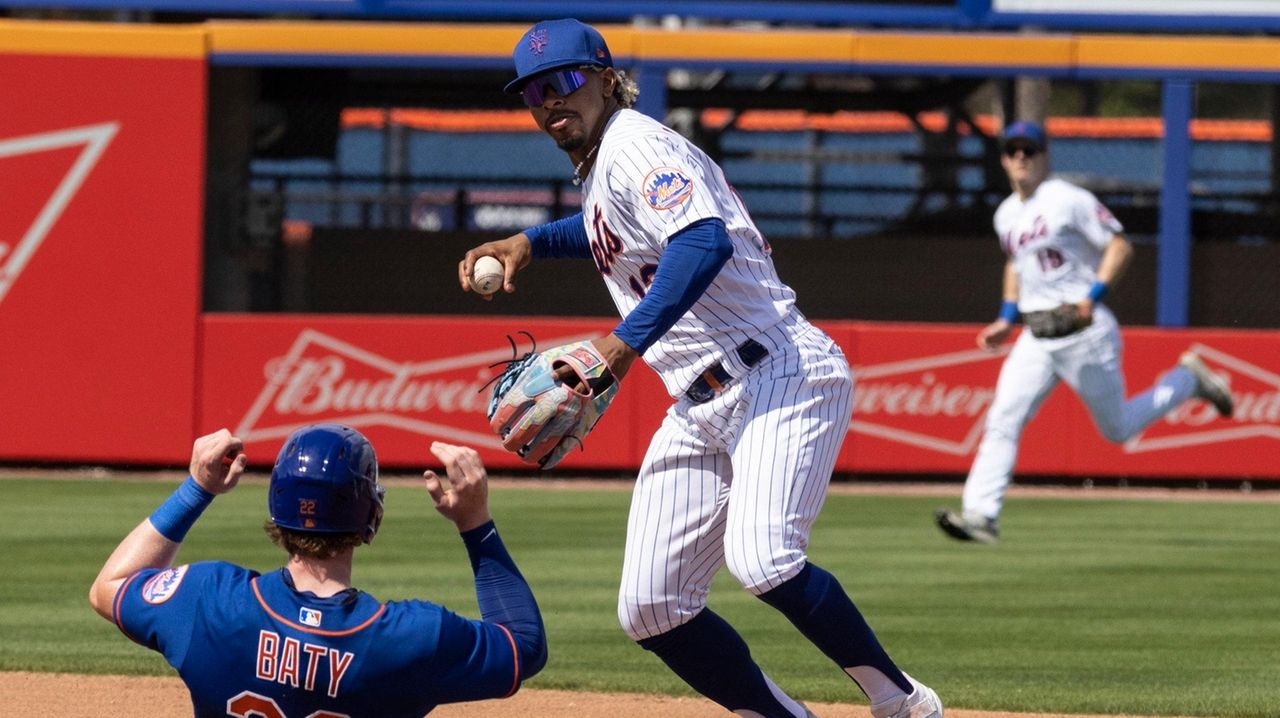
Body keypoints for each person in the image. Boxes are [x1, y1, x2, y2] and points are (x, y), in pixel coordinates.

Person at [458, 18, 941, 718]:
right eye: (533, 91)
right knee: (652, 608)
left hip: (780, 372)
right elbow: (608, 231)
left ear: (602, 76)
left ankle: (903, 705)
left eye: (562, 80)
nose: (549, 100)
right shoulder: (602, 164)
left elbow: (701, 241)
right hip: (700, 403)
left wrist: (619, 348)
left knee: (765, 560)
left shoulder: (635, 144)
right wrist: (531, 242)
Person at [88, 424, 546, 717]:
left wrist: (196, 489)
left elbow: (109, 587)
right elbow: (523, 647)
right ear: (374, 516)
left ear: (275, 509)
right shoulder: (411, 636)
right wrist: (475, 522)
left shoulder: (207, 599)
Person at [934, 121, 1235, 544]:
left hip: (1082, 329)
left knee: (1118, 429)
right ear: (1003, 158)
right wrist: (1006, 316)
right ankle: (981, 516)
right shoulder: (1006, 213)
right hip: (1036, 335)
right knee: (1003, 418)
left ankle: (1187, 381)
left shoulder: (1067, 199)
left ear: (1044, 155)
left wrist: (1093, 294)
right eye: (1013, 150)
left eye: (1030, 150)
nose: (1022, 157)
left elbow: (1119, 244)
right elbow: (1016, 264)